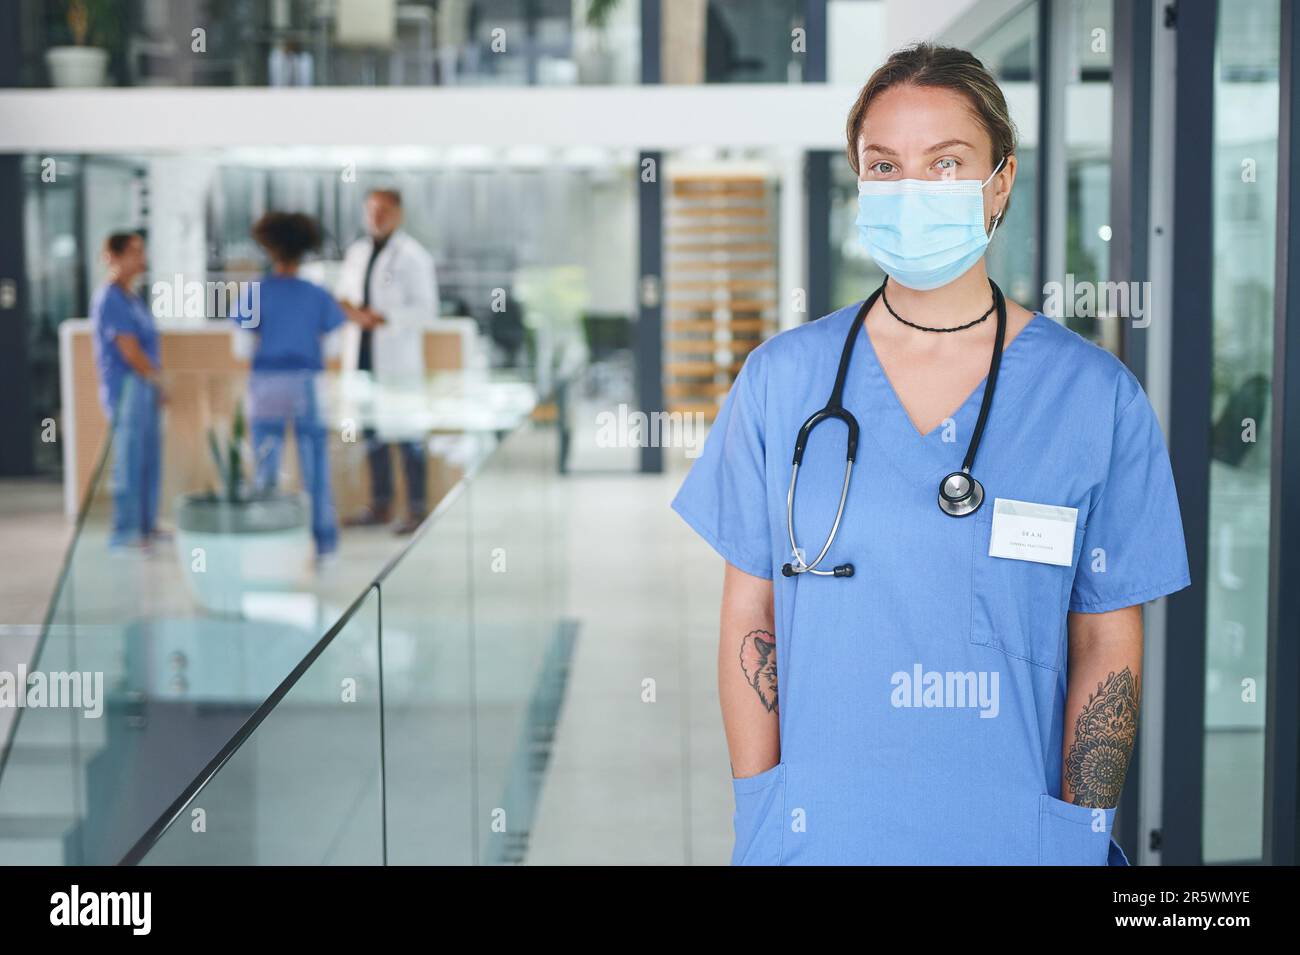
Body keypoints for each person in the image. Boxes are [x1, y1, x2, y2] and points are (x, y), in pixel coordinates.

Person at [670, 43, 1191, 866]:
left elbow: (1106, 640)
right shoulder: (783, 380)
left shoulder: (1095, 397)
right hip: (819, 835)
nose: (912, 191)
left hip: (1015, 838)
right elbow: (751, 612)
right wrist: (763, 808)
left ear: (1001, 182)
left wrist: (1077, 834)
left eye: (946, 164)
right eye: (885, 166)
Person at [238, 212, 347, 562]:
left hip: (267, 384)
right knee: (315, 466)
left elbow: (240, 347)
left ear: (270, 249)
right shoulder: (316, 294)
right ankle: (324, 543)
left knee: (265, 463)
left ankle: (264, 538)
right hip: (307, 385)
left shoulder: (255, 292)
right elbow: (333, 347)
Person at [336, 188, 439, 535]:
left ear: (398, 213)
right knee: (372, 436)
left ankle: (416, 510)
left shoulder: (413, 257)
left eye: (383, 210)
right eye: (371, 210)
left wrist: (383, 317)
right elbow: (345, 295)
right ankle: (380, 505)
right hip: (362, 356)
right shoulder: (357, 253)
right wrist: (348, 310)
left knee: (408, 437)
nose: (376, 217)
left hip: (397, 360)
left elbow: (426, 311)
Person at [89, 231, 165, 550]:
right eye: (134, 252)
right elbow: (130, 351)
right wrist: (158, 379)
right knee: (129, 461)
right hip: (126, 390)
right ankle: (125, 533)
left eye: (142, 251)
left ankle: (146, 527)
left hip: (143, 390)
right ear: (114, 257)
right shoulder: (110, 298)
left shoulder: (131, 297)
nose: (142, 259)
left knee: (148, 459)